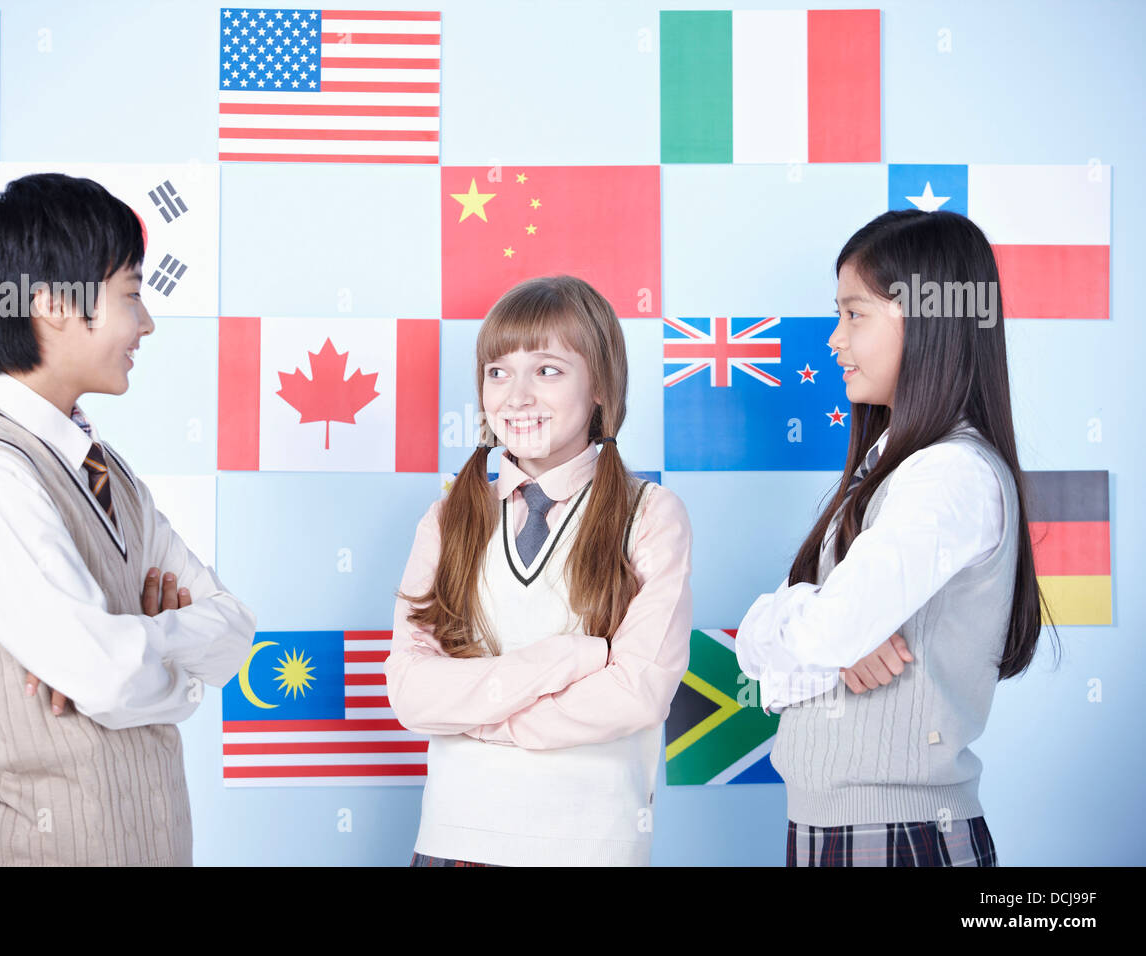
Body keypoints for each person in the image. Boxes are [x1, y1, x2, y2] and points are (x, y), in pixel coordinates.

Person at [0, 172, 256, 866]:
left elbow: (234, 634)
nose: (148, 323)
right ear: (51, 305)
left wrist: (139, 638)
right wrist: (154, 659)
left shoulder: (106, 468)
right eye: (131, 294)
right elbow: (106, 675)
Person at [735, 209, 1051, 867]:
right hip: (846, 832)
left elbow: (825, 632)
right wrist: (820, 633)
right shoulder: (896, 468)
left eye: (855, 314)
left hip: (897, 838)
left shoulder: (949, 473)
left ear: (930, 321)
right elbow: (806, 637)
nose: (833, 339)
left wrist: (815, 631)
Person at [386, 274, 693, 866]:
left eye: (548, 371)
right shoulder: (448, 517)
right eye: (498, 372)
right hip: (455, 841)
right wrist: (570, 658)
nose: (516, 397)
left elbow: (637, 692)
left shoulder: (649, 515)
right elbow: (412, 692)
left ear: (601, 384)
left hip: (589, 844)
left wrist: (481, 716)